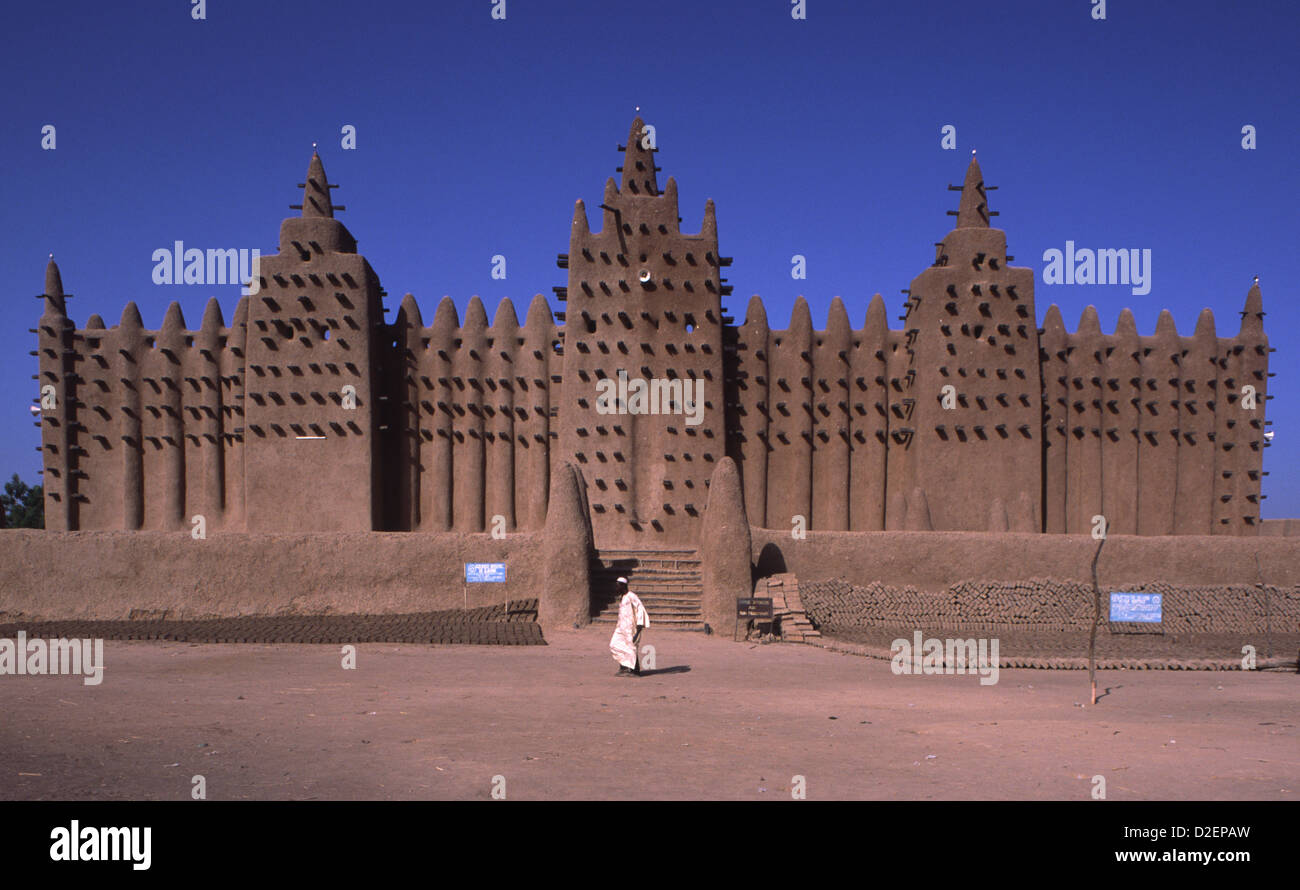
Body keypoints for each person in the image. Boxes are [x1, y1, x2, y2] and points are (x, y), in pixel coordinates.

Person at [609, 577, 649, 676]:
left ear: (623, 586)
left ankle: (634, 671)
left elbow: (640, 608)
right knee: (615, 644)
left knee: (631, 647)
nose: (616, 589)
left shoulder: (631, 596)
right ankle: (624, 667)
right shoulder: (623, 598)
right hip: (621, 627)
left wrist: (640, 624)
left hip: (631, 628)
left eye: (618, 586)